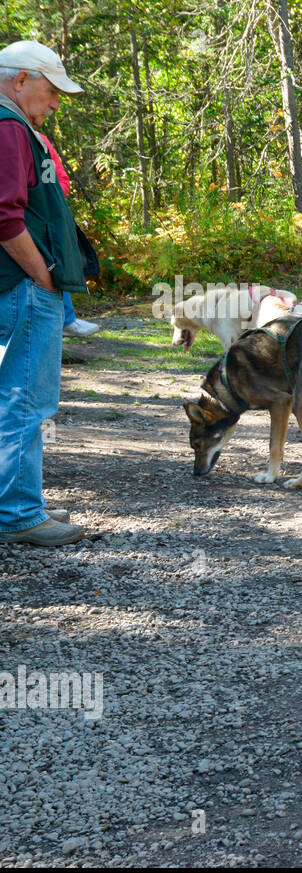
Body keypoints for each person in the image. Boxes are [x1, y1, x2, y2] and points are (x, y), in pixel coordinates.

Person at [0, 40, 86, 545]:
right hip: (24, 289)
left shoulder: (14, 127)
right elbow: (6, 215)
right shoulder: (10, 128)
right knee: (26, 402)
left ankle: (16, 499)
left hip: (16, 287)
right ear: (20, 81)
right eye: (51, 91)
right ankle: (18, 514)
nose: (55, 103)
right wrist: (43, 275)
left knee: (16, 399)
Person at [35, 129, 99, 337]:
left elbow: (62, 179)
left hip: (47, 218)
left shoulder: (39, 140)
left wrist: (50, 199)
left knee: (56, 263)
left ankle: (68, 319)